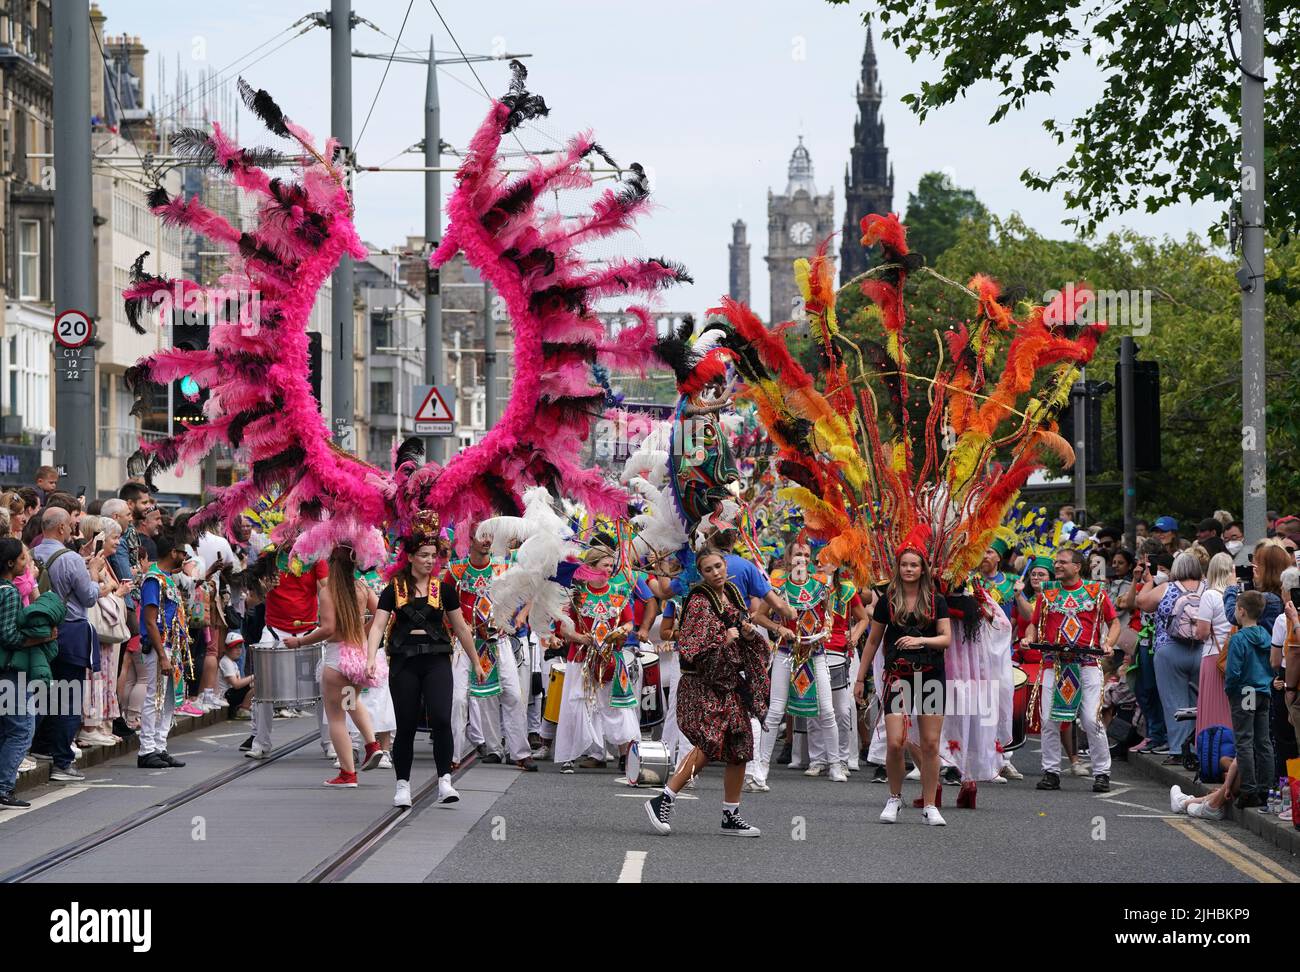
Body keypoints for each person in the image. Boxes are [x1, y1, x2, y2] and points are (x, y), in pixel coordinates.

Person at [643, 549, 769, 837]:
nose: (716, 573)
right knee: (711, 741)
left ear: (726, 566)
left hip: (726, 682)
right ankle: (663, 797)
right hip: (701, 682)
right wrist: (724, 640)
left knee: (740, 745)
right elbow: (691, 644)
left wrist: (747, 634)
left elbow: (739, 630)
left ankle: (730, 815)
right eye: (709, 569)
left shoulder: (734, 594)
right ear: (701, 573)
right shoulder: (699, 601)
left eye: (718, 566)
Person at [368, 523, 479, 808]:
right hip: (404, 662)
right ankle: (402, 785)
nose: (430, 561)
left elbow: (462, 628)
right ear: (410, 557)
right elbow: (378, 625)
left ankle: (445, 780)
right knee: (405, 725)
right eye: (424, 555)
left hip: (437, 661)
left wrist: (476, 662)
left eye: (434, 556)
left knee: (442, 717)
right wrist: (370, 658)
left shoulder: (443, 590)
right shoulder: (394, 590)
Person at [855, 529, 952, 826]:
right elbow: (872, 642)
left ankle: (931, 805)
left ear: (923, 569)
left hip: (931, 677)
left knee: (931, 744)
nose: (909, 569)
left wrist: (921, 642)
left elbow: (946, 639)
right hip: (897, 677)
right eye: (904, 564)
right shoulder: (888, 601)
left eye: (914, 565)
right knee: (895, 742)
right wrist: (860, 679)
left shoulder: (937, 601)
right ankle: (894, 799)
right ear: (898, 567)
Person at [284, 546, 384, 787]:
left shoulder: (328, 592)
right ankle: (372, 744)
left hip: (338, 660)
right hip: (357, 658)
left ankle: (348, 774)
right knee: (351, 701)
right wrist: (364, 633)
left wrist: (299, 641)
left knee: (336, 718)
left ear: (333, 564)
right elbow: (382, 612)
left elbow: (328, 629)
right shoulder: (362, 587)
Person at [1026, 547, 1121, 793]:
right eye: (1056, 562)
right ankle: (1051, 772)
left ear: (1077, 566)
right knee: (1048, 720)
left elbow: (1114, 622)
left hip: (1087, 664)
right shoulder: (1047, 593)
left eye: (1062, 562)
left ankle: (1102, 773)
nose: (1057, 566)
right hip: (1053, 664)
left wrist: (1108, 642)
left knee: (1091, 719)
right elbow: (1034, 624)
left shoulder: (1095, 592)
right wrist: (1028, 638)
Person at [752, 538, 844, 787]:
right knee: (774, 711)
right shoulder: (778, 588)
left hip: (816, 654)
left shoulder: (822, 585)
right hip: (786, 654)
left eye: (805, 554)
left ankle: (835, 764)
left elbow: (829, 616)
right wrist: (779, 629)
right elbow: (758, 616)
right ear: (788, 559)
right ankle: (761, 768)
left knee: (827, 710)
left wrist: (825, 630)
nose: (801, 558)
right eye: (797, 554)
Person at [443, 526, 534, 770]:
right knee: (459, 699)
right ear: (469, 539)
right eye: (480, 536)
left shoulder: (502, 566)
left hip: (500, 640)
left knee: (513, 695)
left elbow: (529, 589)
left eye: (489, 536)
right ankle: (453, 755)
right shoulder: (456, 571)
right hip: (466, 644)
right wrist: (455, 631)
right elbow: (443, 604)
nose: (486, 541)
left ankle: (520, 752)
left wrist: (521, 615)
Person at [27, 508, 106, 783]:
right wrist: (94, 572)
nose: (75, 526)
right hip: (71, 632)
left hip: (38, 632)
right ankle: (62, 761)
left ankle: (39, 748)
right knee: (69, 696)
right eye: (72, 523)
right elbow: (88, 597)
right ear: (61, 528)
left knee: (41, 693)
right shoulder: (70, 559)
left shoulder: (31, 553)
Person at [553, 548, 640, 773]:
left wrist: (620, 631)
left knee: (618, 706)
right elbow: (564, 628)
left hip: (611, 658)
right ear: (590, 567)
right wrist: (580, 638)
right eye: (605, 565)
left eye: (612, 566)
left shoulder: (619, 592)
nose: (610, 570)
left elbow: (630, 623)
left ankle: (626, 756)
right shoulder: (577, 594)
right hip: (581, 658)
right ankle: (569, 757)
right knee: (576, 705)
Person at [246, 551, 330, 760]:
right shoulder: (269, 556)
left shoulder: (316, 557)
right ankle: (260, 742)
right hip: (275, 630)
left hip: (309, 629)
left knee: (325, 685)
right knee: (263, 687)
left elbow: (326, 591)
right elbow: (250, 602)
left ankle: (330, 742)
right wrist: (265, 587)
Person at [0, 538, 60, 808]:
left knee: (7, 728)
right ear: (11, 563)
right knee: (23, 728)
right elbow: (9, 636)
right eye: (24, 558)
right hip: (9, 669)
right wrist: (43, 637)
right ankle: (3, 789)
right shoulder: (9, 592)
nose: (29, 564)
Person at [1135, 551, 1209, 766]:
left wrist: (1149, 581)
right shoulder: (1209, 589)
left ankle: (1178, 750)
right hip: (1202, 649)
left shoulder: (1167, 588)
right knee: (1200, 702)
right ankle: (1198, 747)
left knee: (1173, 702)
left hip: (1169, 650)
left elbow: (1142, 602)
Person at [136, 531, 189, 770]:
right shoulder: (153, 580)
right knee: (153, 698)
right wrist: (162, 655)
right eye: (183, 552)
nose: (185, 557)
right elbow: (149, 621)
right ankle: (146, 750)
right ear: (173, 553)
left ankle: (160, 746)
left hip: (173, 648)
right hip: (161, 647)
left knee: (169, 700)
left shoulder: (167, 577)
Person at [1224, 590, 1275, 809]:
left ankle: (1249, 790)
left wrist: (1230, 690)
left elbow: (1233, 671)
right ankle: (1266, 788)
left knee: (1244, 741)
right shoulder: (1266, 635)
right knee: (1263, 741)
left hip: (1245, 693)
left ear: (1242, 611)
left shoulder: (1239, 639)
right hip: (1263, 690)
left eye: (1236, 608)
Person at [1193, 553, 1234, 740]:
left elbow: (1202, 632)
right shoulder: (1237, 595)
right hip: (1234, 656)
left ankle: (1213, 751)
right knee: (1230, 707)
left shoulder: (1210, 595)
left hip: (1213, 656)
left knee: (1212, 707)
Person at [217, 633, 254, 719]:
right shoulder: (226, 661)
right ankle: (243, 709)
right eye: (234, 647)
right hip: (226, 696)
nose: (238, 650)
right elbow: (236, 684)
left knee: (254, 683)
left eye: (240, 647)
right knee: (254, 684)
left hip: (231, 693)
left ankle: (244, 707)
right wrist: (253, 677)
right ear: (226, 649)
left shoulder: (232, 662)